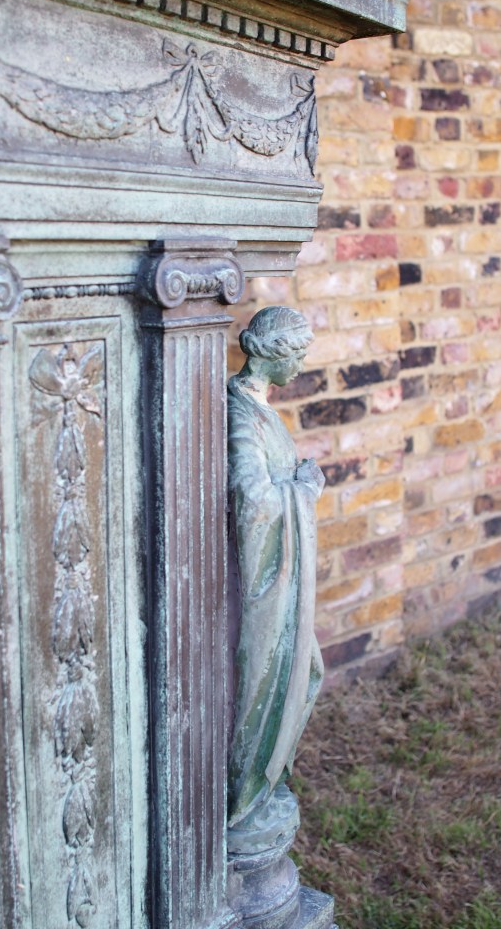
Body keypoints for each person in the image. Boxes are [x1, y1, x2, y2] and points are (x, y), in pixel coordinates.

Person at [227, 305, 325, 850]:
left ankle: (259, 790)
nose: (302, 366)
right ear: (275, 353)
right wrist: (304, 490)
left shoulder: (258, 406)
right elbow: (254, 500)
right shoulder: (241, 415)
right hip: (264, 586)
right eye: (299, 355)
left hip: (283, 577)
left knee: (306, 671)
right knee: (269, 681)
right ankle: (242, 800)